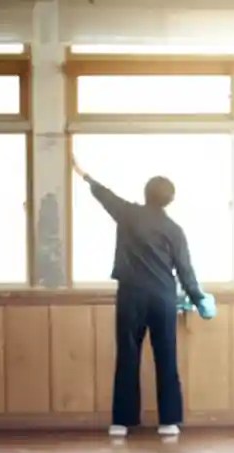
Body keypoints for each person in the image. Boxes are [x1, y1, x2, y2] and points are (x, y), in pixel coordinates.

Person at [71, 156, 210, 438]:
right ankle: (169, 421)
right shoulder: (174, 230)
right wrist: (198, 300)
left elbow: (104, 195)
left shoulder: (128, 214)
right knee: (166, 357)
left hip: (131, 296)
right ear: (170, 199)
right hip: (163, 298)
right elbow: (185, 270)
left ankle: (122, 422)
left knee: (127, 356)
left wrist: (82, 173)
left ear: (146, 194)